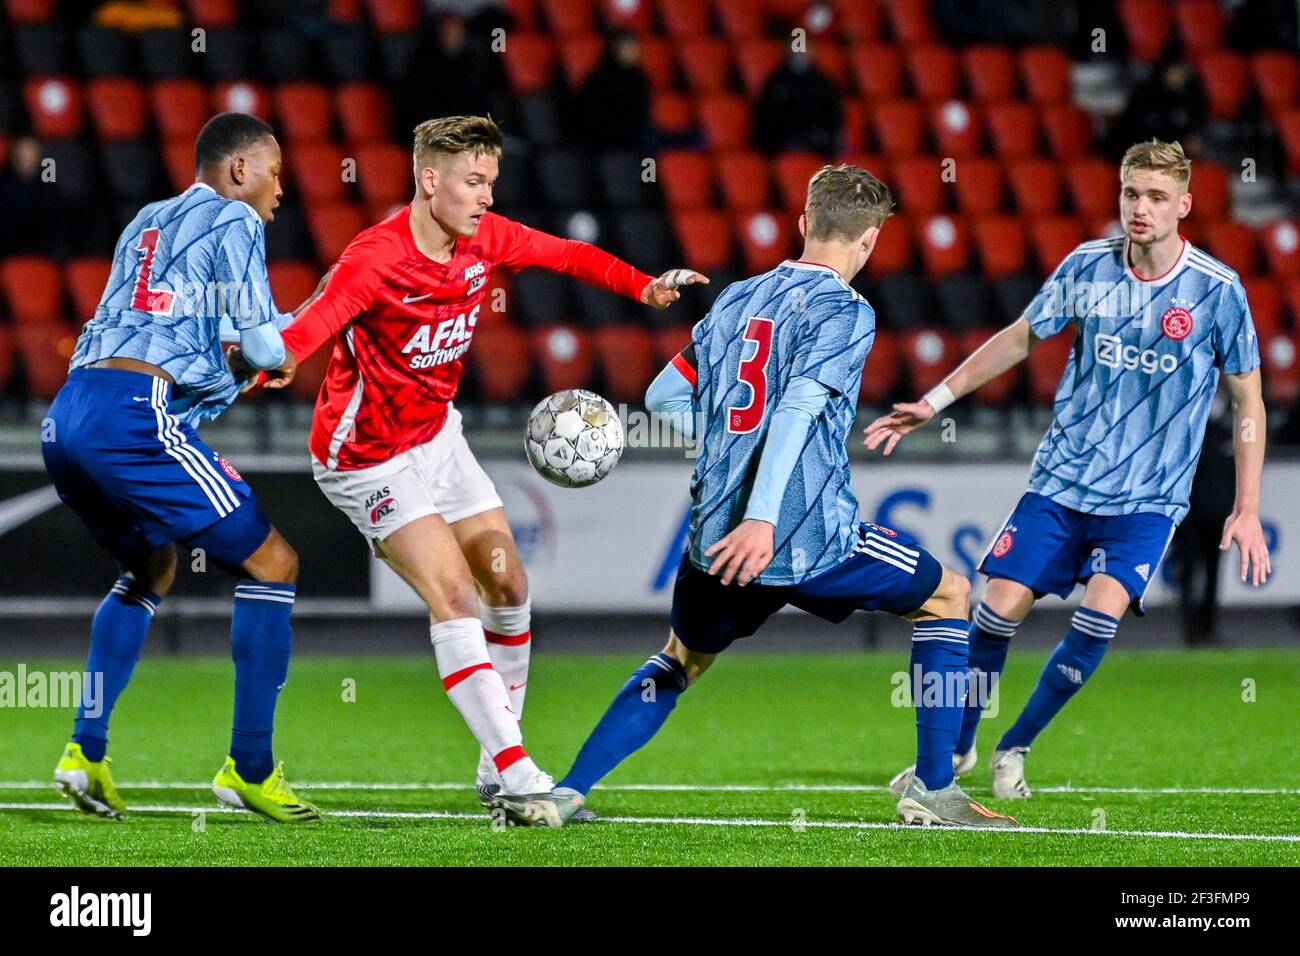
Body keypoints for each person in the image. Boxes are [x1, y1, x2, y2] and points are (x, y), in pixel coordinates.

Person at [491, 164, 1020, 829]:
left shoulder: (738, 297)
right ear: (871, 241)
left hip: (717, 535)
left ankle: (567, 791)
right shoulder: (846, 311)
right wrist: (766, 517)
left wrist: (725, 455)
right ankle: (935, 790)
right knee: (948, 595)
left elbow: (661, 396)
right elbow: (798, 409)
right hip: (806, 532)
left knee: (679, 661)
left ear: (804, 224)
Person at [243, 115, 706, 811]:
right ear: (430, 181)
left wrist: (644, 288)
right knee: (454, 594)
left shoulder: (485, 237)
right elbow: (316, 319)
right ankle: (520, 774)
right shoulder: (377, 257)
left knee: (509, 583)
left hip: (438, 437)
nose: (487, 197)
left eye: (491, 182)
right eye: (473, 182)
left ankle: (497, 759)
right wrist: (279, 356)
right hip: (366, 457)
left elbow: (566, 255)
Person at [867, 139, 1270, 799]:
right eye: (1131, 194)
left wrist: (1246, 504)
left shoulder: (1216, 291)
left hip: (1147, 497)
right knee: (993, 615)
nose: (1140, 208)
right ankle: (962, 745)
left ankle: (1014, 746)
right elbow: (1022, 337)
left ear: (1185, 205)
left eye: (1156, 197)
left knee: (1098, 619)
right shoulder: (1087, 266)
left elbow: (1249, 396)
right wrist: (934, 400)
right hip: (1061, 483)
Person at [44, 112, 320, 823]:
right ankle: (250, 769)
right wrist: (280, 351)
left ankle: (85, 752)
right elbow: (261, 347)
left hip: (68, 414)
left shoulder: (146, 220)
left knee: (151, 568)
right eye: (274, 171)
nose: (281, 189)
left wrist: (248, 354)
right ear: (238, 171)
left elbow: (167, 325)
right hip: (135, 414)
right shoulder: (238, 223)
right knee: (274, 564)